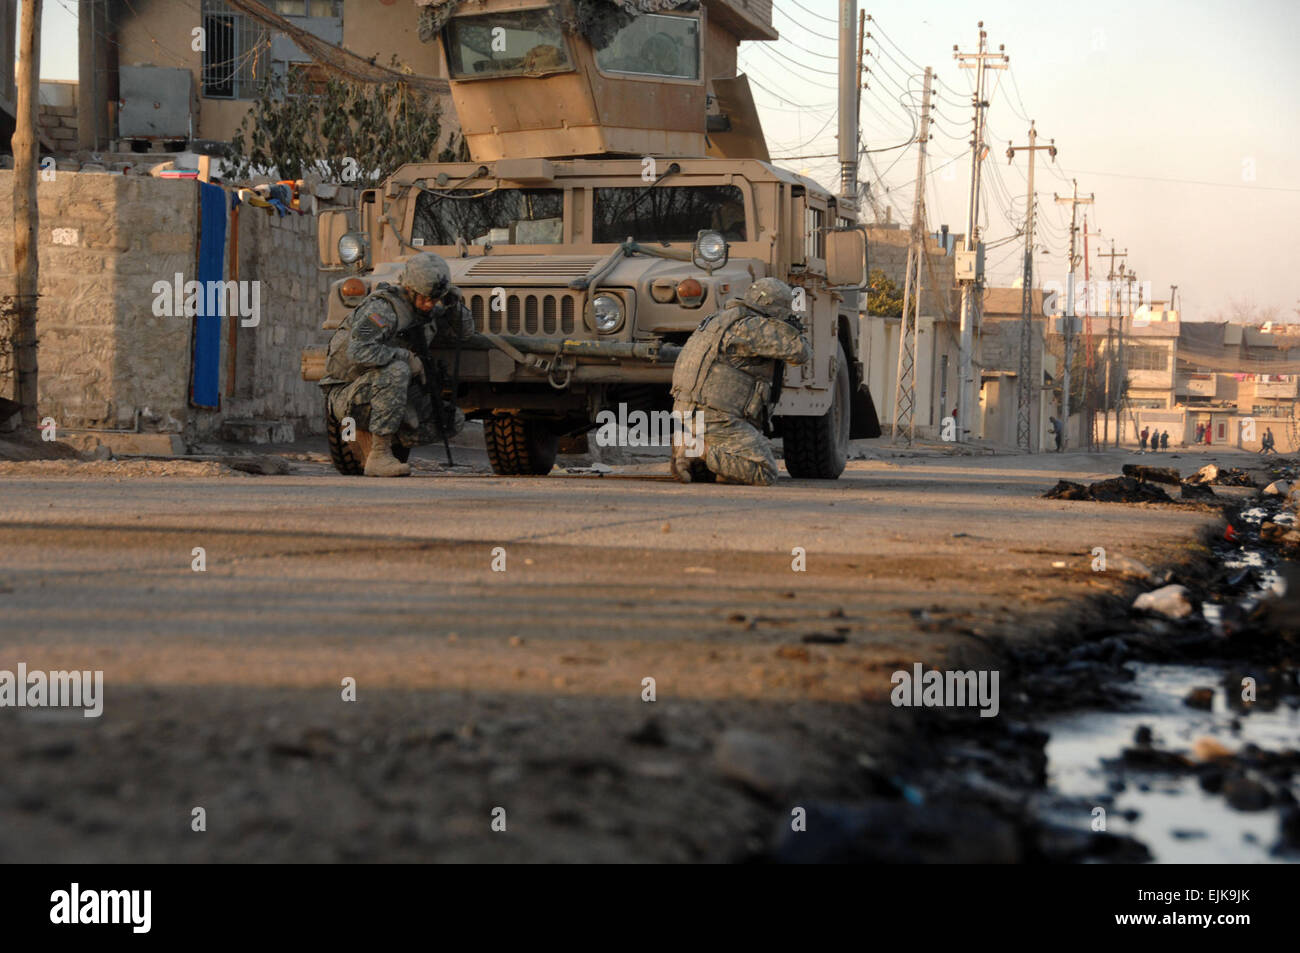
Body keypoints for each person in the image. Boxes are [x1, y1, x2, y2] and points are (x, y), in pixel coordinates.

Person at [320, 252, 473, 476]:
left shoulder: (426, 308)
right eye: (425, 298)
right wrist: (406, 358)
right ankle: (379, 455)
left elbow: (466, 332)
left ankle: (389, 439)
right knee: (397, 370)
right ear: (410, 289)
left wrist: (454, 305)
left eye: (435, 298)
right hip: (349, 390)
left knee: (451, 420)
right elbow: (358, 350)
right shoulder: (383, 309)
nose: (430, 304)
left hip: (386, 391)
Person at [669, 277, 811, 486]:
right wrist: (791, 329)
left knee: (730, 468)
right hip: (715, 420)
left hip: (689, 416)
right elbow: (801, 351)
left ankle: (692, 449)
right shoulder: (751, 326)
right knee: (765, 471)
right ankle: (695, 449)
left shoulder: (718, 320)